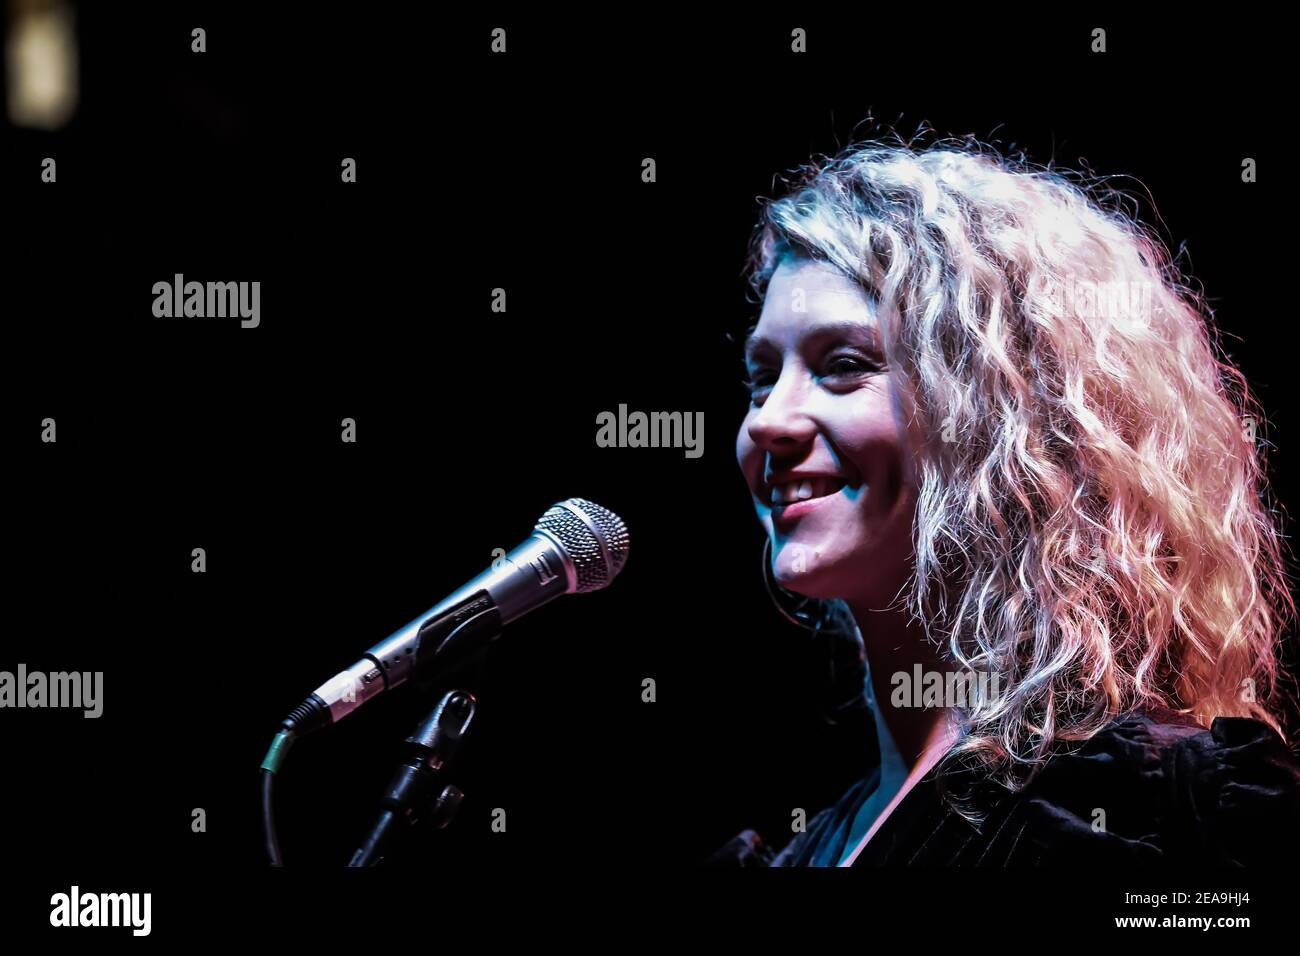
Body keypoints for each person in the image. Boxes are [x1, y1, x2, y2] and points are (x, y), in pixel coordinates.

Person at [718, 136, 1300, 866]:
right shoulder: (797, 854)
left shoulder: (1154, 812)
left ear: (997, 415)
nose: (767, 420)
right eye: (761, 378)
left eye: (842, 367)